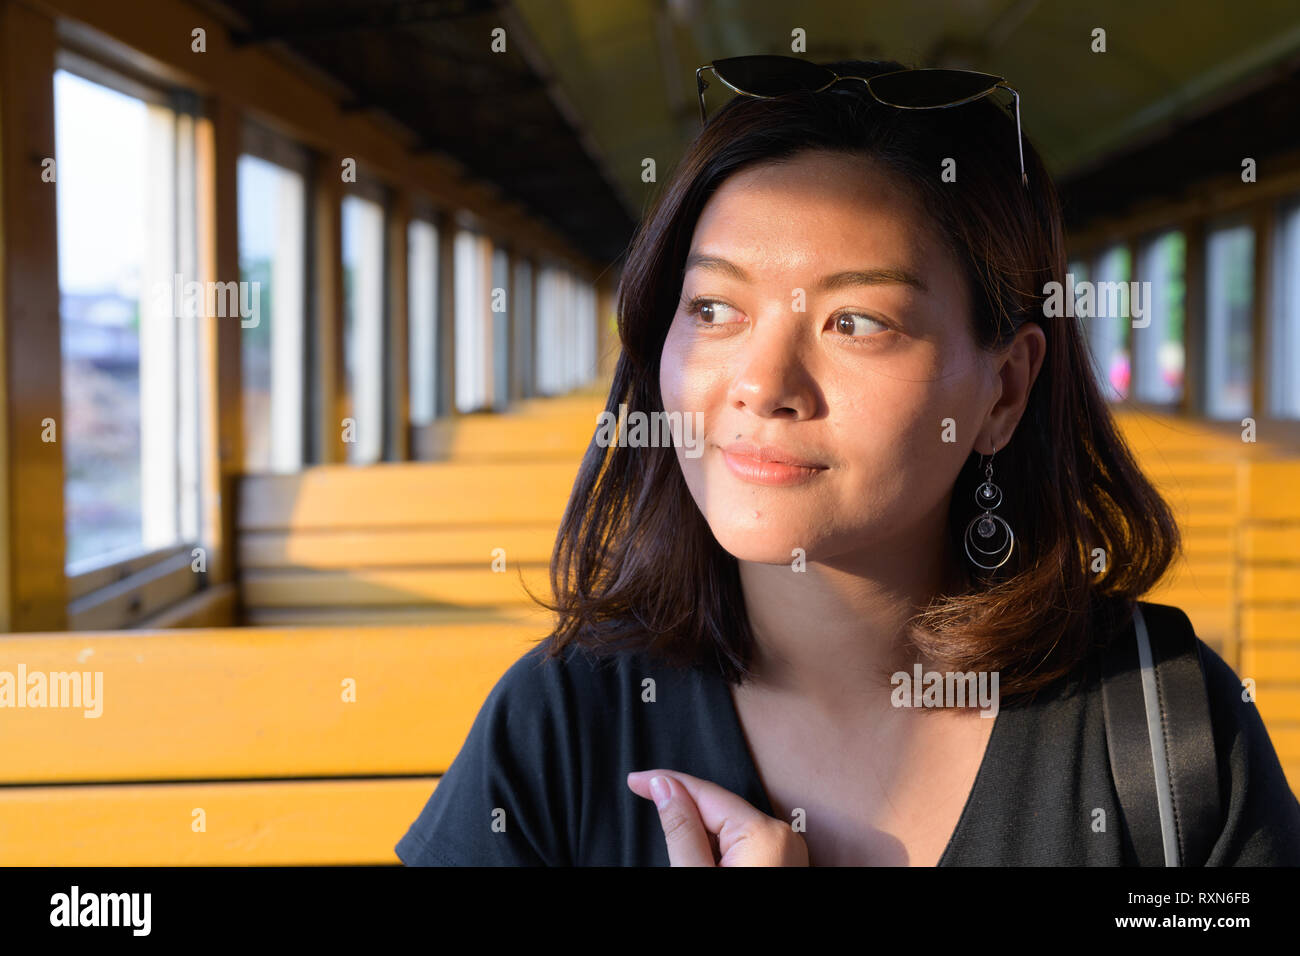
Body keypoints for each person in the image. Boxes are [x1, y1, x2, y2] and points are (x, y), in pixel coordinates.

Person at [396, 57, 1300, 866]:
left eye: (856, 322)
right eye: (713, 308)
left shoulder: (1163, 731)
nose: (762, 384)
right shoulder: (558, 730)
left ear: (1005, 391)